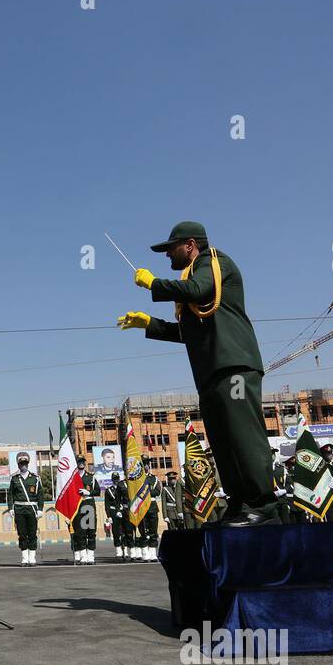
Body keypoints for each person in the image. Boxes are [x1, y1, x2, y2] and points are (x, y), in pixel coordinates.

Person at [118, 221, 273, 525]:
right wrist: (149, 323)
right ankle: (241, 503)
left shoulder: (213, 262)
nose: (167, 256)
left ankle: (264, 505)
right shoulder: (193, 284)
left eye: (170, 248)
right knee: (223, 440)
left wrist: (154, 284)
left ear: (190, 244)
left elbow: (200, 289)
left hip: (234, 366)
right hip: (211, 370)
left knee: (243, 436)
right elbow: (189, 333)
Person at [9, 451, 41, 565]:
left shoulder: (35, 479)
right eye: (21, 464)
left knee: (32, 533)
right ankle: (24, 557)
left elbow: (40, 495)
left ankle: (32, 557)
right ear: (18, 465)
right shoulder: (14, 479)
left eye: (25, 464)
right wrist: (10, 508)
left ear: (28, 465)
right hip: (19, 509)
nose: (23, 466)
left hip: (31, 509)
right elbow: (10, 495)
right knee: (22, 534)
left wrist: (40, 509)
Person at [69, 456, 100, 564]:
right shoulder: (72, 478)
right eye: (79, 462)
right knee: (80, 532)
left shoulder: (91, 477)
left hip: (89, 504)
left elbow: (98, 491)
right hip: (77, 505)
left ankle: (91, 556)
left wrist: (89, 493)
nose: (81, 463)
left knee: (91, 531)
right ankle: (83, 556)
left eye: (83, 462)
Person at [104, 473, 132, 559]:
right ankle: (118, 550)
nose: (116, 480)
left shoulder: (123, 488)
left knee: (125, 530)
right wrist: (109, 516)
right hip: (113, 511)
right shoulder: (108, 490)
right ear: (112, 479)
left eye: (117, 478)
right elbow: (107, 504)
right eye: (114, 478)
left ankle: (126, 549)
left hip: (123, 510)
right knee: (116, 532)